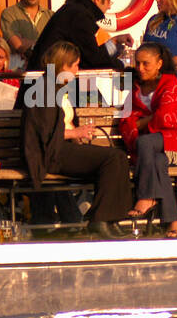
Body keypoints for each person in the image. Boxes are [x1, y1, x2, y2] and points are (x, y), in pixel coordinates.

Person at [21, 41, 133, 239]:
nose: (77, 70)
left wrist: (77, 134)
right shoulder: (44, 89)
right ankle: (100, 220)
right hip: (52, 154)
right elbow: (44, 133)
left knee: (118, 158)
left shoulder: (56, 87)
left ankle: (110, 219)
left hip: (63, 149)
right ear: (63, 65)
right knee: (114, 158)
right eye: (75, 65)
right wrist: (75, 133)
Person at [118, 43, 177, 237]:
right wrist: (141, 121)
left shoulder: (170, 83)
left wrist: (140, 124)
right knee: (156, 162)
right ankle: (173, 221)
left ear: (159, 63)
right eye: (137, 63)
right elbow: (128, 116)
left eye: (145, 64)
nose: (140, 68)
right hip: (155, 149)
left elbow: (166, 116)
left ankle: (146, 196)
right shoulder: (136, 87)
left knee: (145, 142)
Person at [28, 0, 132, 73]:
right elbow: (93, 59)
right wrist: (123, 65)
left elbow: (90, 54)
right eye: (109, 1)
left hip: (50, 75)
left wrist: (114, 42)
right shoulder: (79, 16)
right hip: (46, 80)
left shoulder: (74, 9)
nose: (109, 6)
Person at [0, 0, 53, 67]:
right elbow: (18, 45)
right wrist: (45, 45)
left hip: (46, 72)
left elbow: (57, 48)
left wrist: (28, 43)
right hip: (18, 72)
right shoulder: (8, 14)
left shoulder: (51, 16)